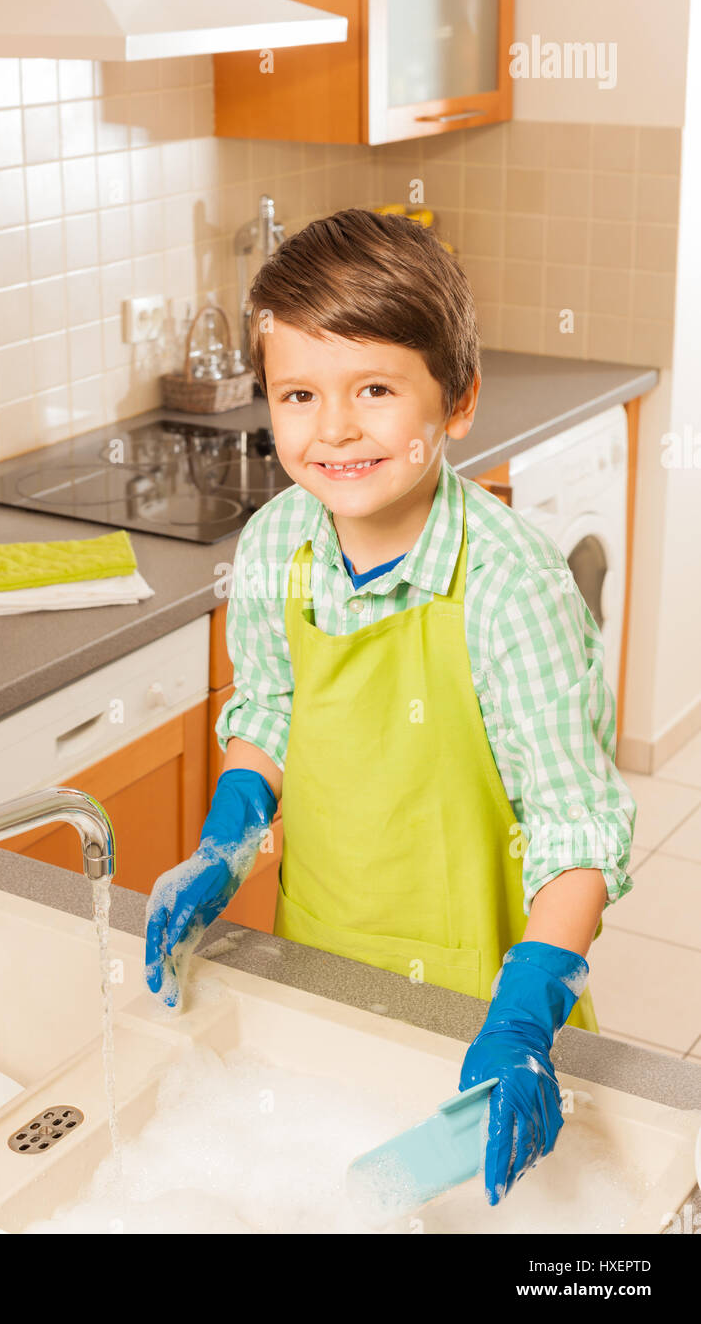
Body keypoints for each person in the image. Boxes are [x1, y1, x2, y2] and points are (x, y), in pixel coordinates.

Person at [145, 208, 636, 1206]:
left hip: (491, 995)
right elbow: (269, 710)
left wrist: (524, 1016)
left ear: (454, 404)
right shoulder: (275, 544)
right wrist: (227, 840)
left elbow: (576, 829)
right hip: (324, 966)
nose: (331, 428)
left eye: (373, 389)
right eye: (297, 393)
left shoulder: (509, 586)